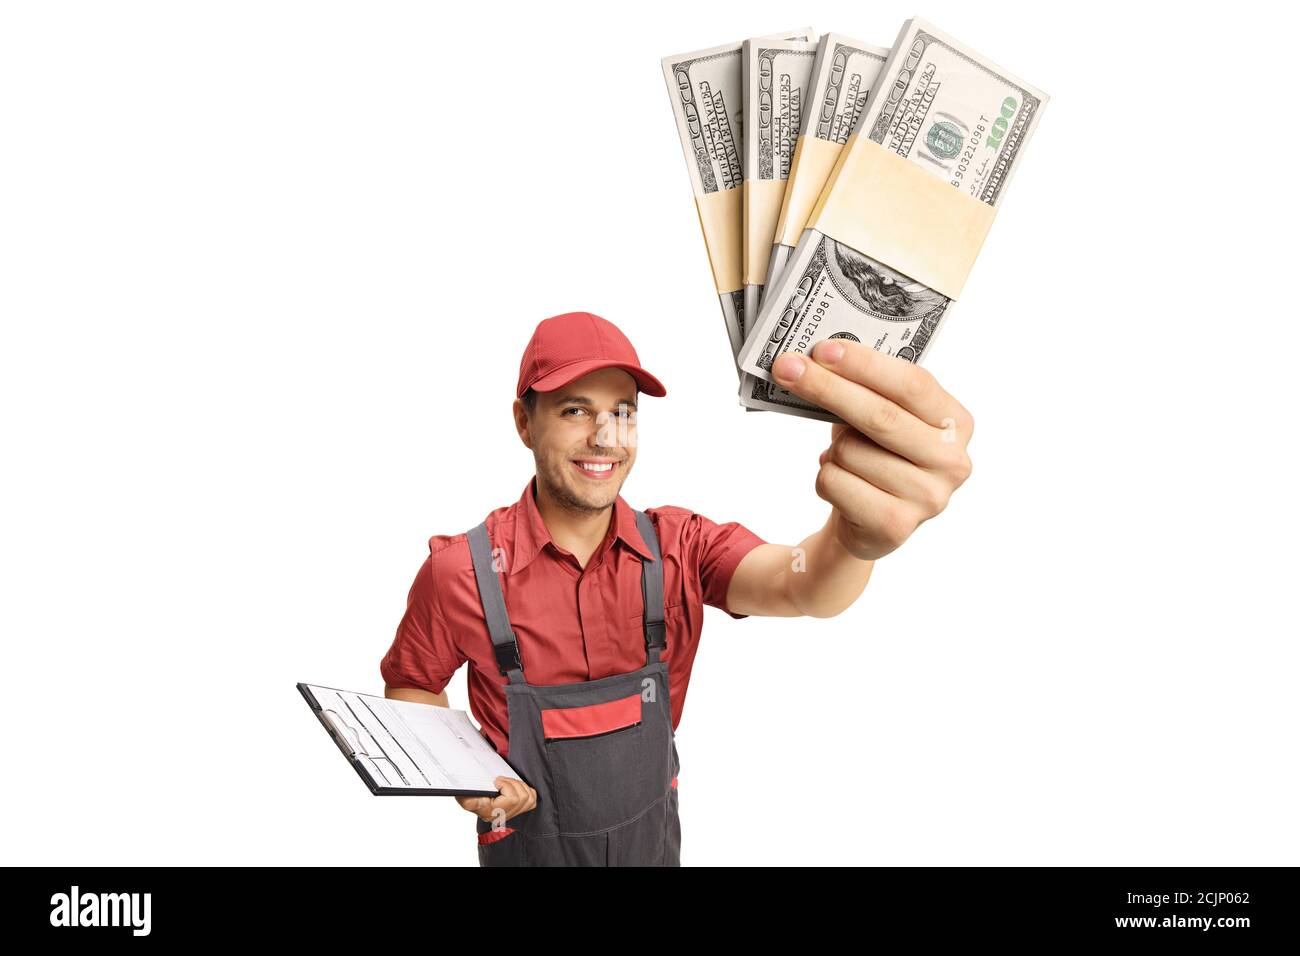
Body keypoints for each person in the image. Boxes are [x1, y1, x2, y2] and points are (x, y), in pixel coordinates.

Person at [380, 310, 974, 866]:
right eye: (574, 411)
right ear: (523, 422)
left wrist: (854, 538)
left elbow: (804, 585)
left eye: (624, 411)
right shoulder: (463, 570)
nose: (606, 437)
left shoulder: (680, 547)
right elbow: (411, 683)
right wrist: (470, 777)